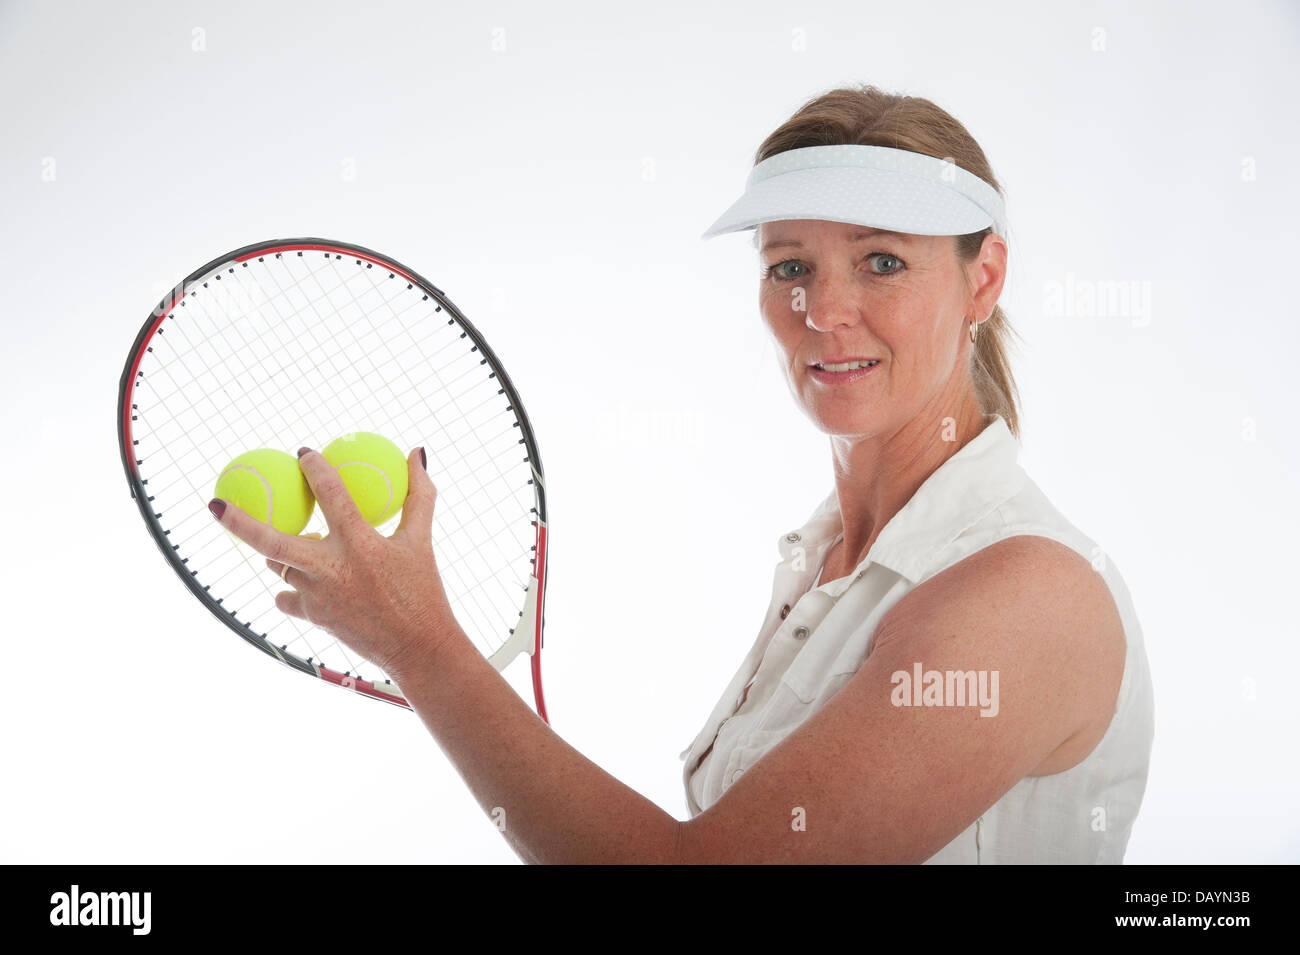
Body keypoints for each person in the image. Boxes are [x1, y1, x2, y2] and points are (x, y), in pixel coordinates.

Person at [209, 84, 1155, 864]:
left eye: (880, 262)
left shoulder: (1027, 596)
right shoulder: (830, 558)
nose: (824, 311)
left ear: (982, 279)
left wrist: (422, 645)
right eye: (790, 266)